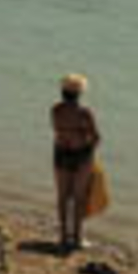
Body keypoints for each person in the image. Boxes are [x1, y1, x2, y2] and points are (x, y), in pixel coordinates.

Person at [52, 73, 100, 251]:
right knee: (79, 198)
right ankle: (78, 238)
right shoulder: (84, 112)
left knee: (62, 197)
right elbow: (95, 137)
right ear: (80, 93)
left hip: (61, 153)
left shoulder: (56, 110)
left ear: (62, 91)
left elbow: (58, 131)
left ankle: (63, 237)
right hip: (81, 155)